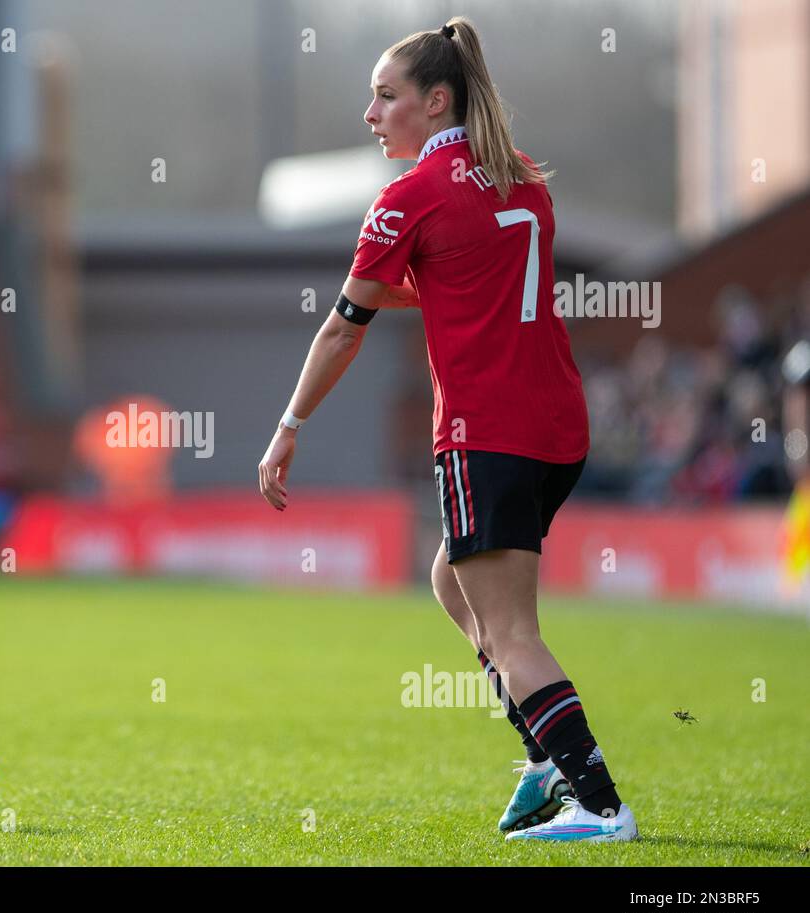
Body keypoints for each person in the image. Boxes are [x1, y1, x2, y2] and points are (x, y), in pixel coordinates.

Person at [257, 16, 637, 842]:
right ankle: (544, 756)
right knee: (448, 580)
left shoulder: (410, 197)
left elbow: (341, 330)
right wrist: (384, 283)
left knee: (512, 632)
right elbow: (468, 287)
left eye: (385, 97)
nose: (371, 114)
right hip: (557, 426)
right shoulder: (522, 177)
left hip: (486, 428)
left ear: (435, 103)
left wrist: (289, 425)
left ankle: (599, 805)